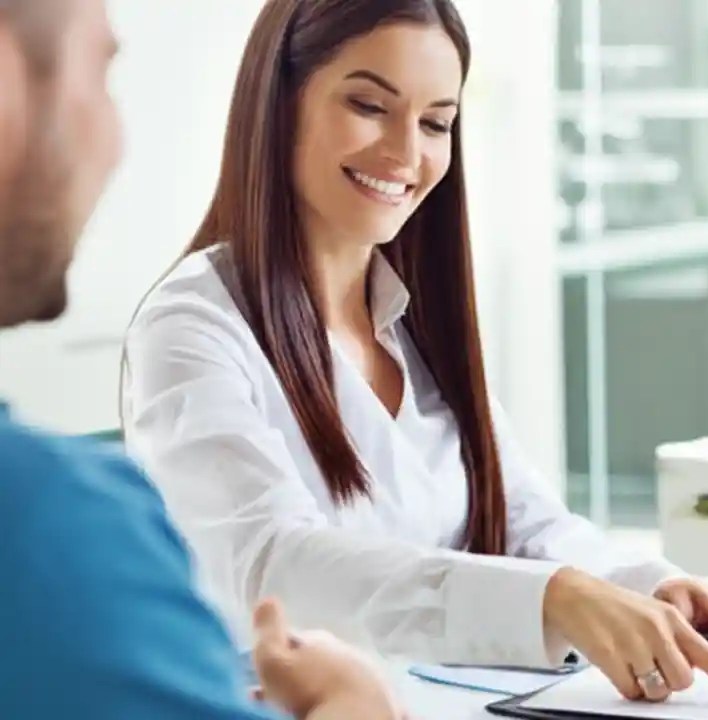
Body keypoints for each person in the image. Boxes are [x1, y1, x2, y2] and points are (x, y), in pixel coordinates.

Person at [121, 0, 708, 706]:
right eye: (368, 105)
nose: (405, 153)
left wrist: (647, 587)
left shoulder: (412, 320)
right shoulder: (191, 326)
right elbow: (275, 563)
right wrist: (552, 600)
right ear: (280, 101)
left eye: (435, 123)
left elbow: (523, 520)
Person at [0, 0, 405, 717]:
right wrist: (352, 707)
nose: (117, 142)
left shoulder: (404, 323)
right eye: (99, 74)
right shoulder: (47, 532)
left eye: (439, 121)